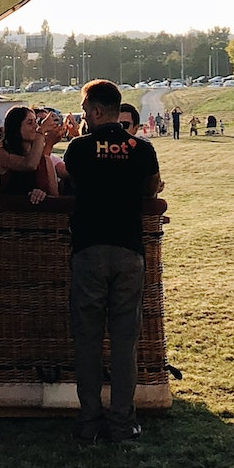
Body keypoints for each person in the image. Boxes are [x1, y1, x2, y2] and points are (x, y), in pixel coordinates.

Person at [63, 79, 162, 446]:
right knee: (124, 342)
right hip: (128, 249)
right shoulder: (142, 148)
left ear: (96, 110)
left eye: (86, 109)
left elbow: (73, 184)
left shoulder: (78, 148)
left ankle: (88, 423)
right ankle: (122, 423)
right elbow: (151, 188)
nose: (84, 115)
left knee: (87, 340)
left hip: (88, 249)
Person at [0, 105, 62, 202]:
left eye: (35, 122)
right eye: (30, 123)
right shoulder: (3, 153)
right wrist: (41, 131)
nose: (35, 127)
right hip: (11, 213)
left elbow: (55, 197)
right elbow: (30, 164)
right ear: (16, 128)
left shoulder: (45, 160)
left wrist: (42, 195)